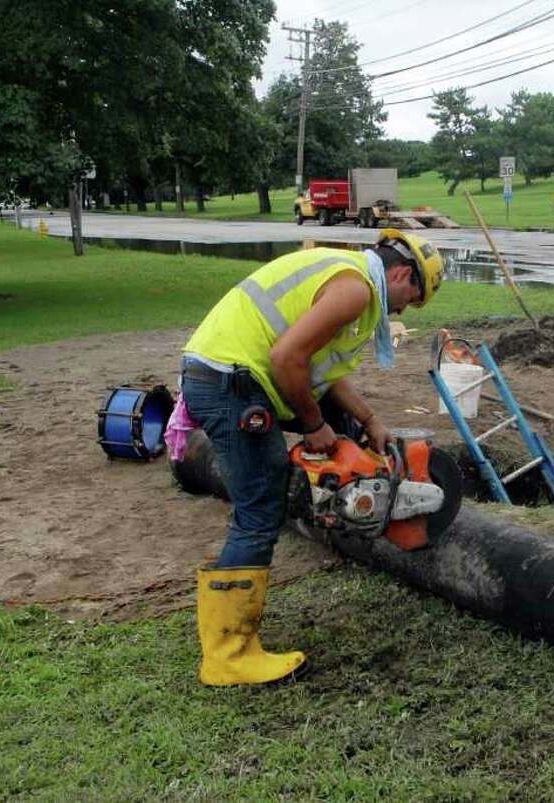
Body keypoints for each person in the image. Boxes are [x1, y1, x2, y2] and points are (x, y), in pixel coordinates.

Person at [180, 229, 444, 684]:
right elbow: (286, 359)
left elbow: (318, 370)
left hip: (228, 375)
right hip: (233, 383)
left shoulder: (348, 276)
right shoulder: (355, 290)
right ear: (402, 274)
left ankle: (342, 513)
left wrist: (370, 420)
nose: (403, 310)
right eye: (411, 299)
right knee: (260, 507)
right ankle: (228, 655)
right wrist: (311, 424)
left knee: (336, 431)